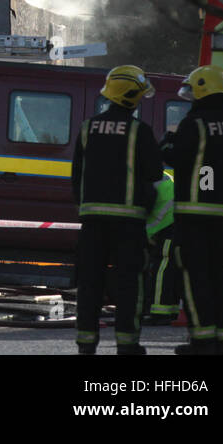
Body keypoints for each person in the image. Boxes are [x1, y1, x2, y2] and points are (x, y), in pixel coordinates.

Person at [71, 65, 162, 355]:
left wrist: (85, 209)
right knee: (129, 285)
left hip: (93, 223)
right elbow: (155, 174)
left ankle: (86, 346)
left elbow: (76, 176)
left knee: (90, 285)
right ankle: (127, 345)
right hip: (129, 224)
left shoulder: (88, 128)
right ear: (132, 97)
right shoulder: (140, 132)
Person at [163, 65, 223, 354]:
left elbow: (178, 159)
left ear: (204, 90)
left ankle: (202, 340)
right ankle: (219, 338)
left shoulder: (193, 123)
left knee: (195, 281)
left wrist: (165, 147)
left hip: (194, 215)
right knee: (218, 278)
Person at [144, 168, 181, 323]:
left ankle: (160, 312)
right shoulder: (153, 174)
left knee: (163, 266)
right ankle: (171, 309)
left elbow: (145, 205)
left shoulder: (137, 175)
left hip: (169, 223)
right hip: (174, 220)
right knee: (171, 266)